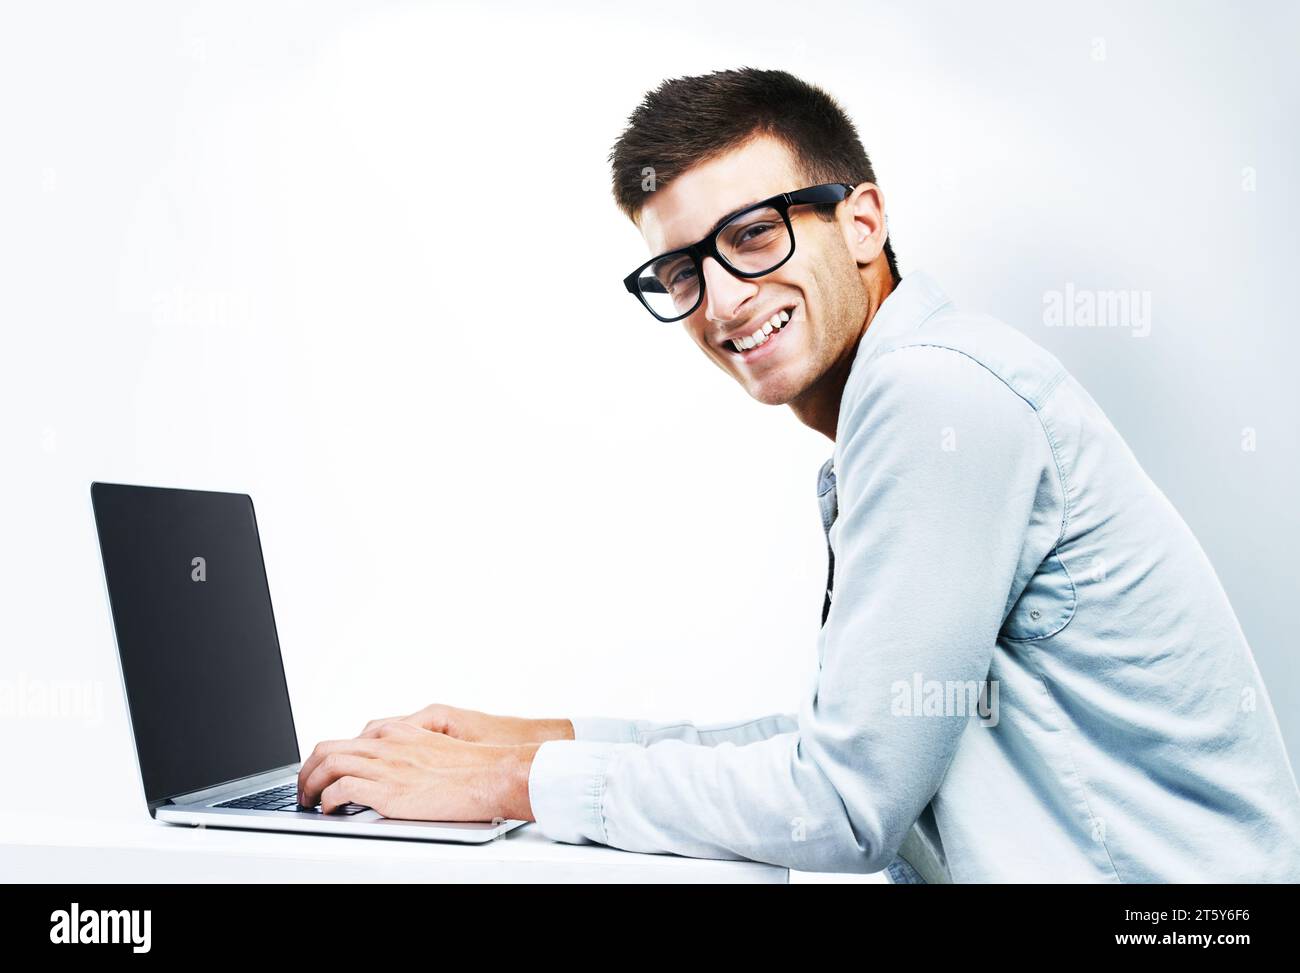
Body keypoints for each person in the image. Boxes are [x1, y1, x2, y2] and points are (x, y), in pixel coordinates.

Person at [298, 67, 1300, 882]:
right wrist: (536, 736)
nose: (724, 299)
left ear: (861, 222)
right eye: (683, 269)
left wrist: (509, 783)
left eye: (752, 234)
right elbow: (861, 743)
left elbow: (843, 805)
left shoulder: (933, 397)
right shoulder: (911, 402)